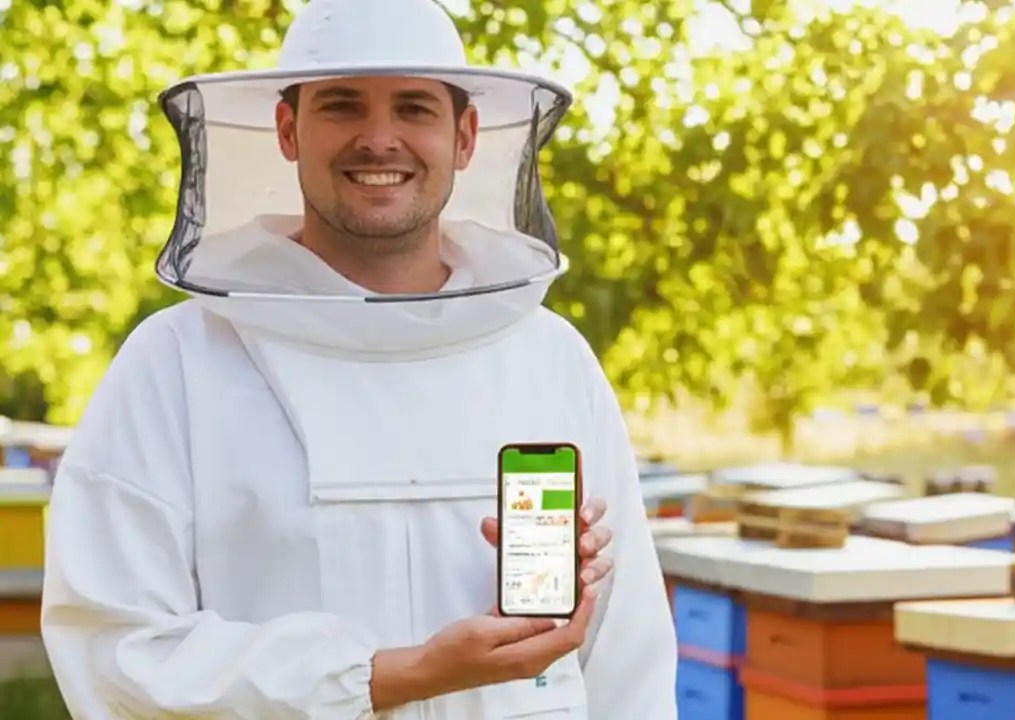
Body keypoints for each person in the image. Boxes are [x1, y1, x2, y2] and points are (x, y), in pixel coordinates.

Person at [39, 0, 678, 718]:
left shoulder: (549, 356)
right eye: (342, 106)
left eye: (414, 108)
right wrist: (386, 677)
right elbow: (116, 648)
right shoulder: (175, 362)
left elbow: (629, 657)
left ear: (465, 137)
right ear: (289, 131)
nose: (379, 140)